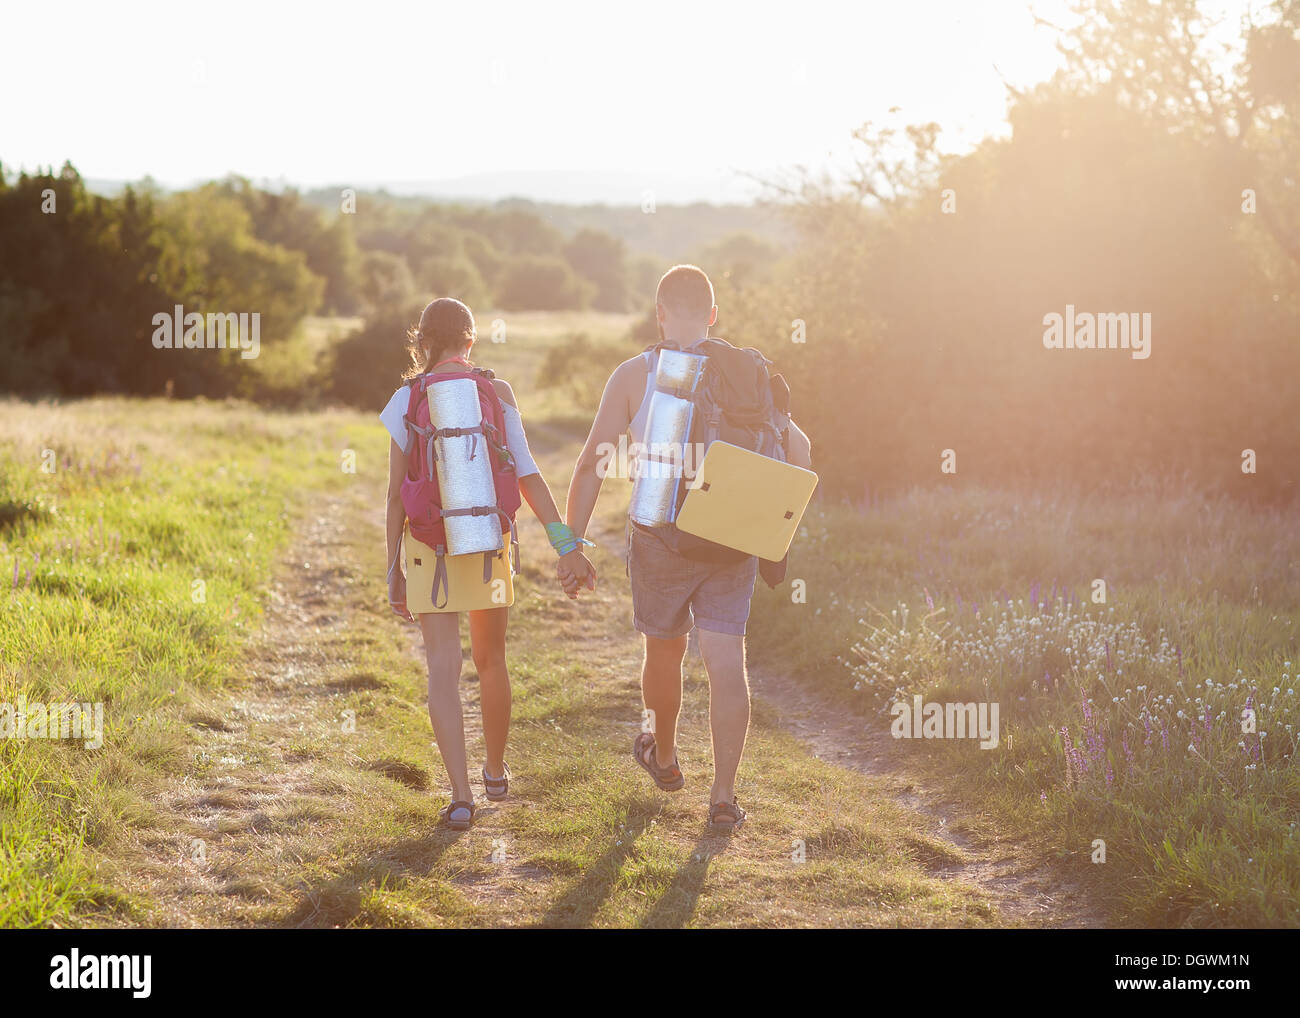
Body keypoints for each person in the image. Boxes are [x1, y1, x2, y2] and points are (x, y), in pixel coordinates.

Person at [562, 266, 812, 831]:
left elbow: (590, 464)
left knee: (664, 651)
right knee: (727, 662)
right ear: (713, 315)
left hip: (659, 534)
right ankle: (723, 797)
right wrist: (760, 516)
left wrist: (570, 543)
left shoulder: (635, 373)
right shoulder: (748, 372)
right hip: (731, 536)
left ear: (659, 314)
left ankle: (665, 754)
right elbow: (801, 453)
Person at [382, 298, 596, 830]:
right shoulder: (496, 392)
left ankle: (460, 797)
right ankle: (495, 770)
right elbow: (528, 473)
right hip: (488, 543)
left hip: (428, 548)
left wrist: (393, 568)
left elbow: (392, 496)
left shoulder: (406, 398)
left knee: (442, 670)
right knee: (491, 659)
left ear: (423, 342)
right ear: (470, 340)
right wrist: (565, 543)